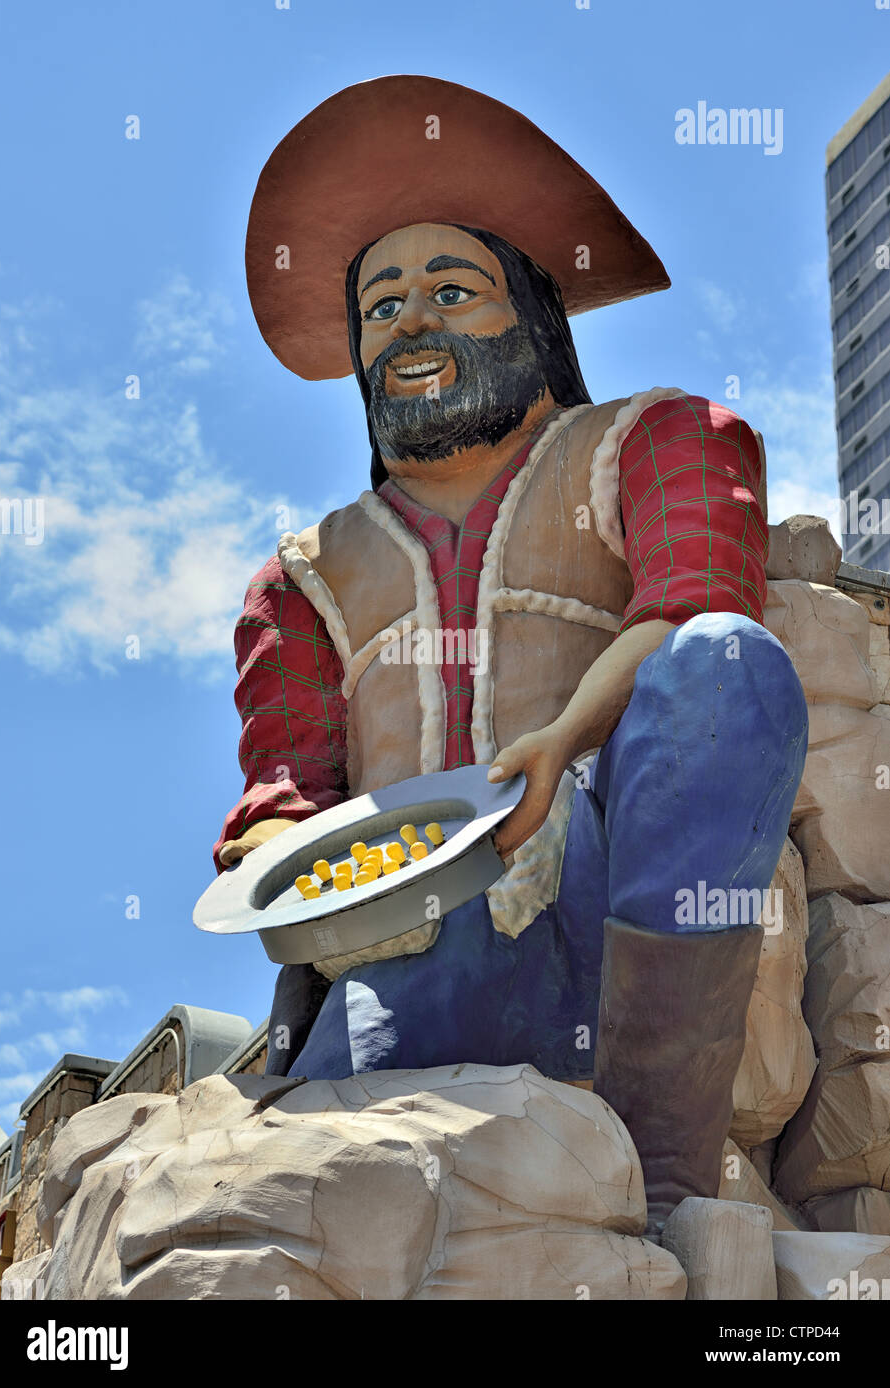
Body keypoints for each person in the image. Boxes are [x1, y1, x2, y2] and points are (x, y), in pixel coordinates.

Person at [214, 77, 808, 1232]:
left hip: (613, 886)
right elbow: (282, 791)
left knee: (726, 660)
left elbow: (696, 598)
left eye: (451, 290)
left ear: (530, 312)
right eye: (380, 308)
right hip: (413, 926)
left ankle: (659, 1168)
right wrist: (318, 885)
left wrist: (557, 749)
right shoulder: (306, 576)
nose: (413, 327)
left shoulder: (653, 436)